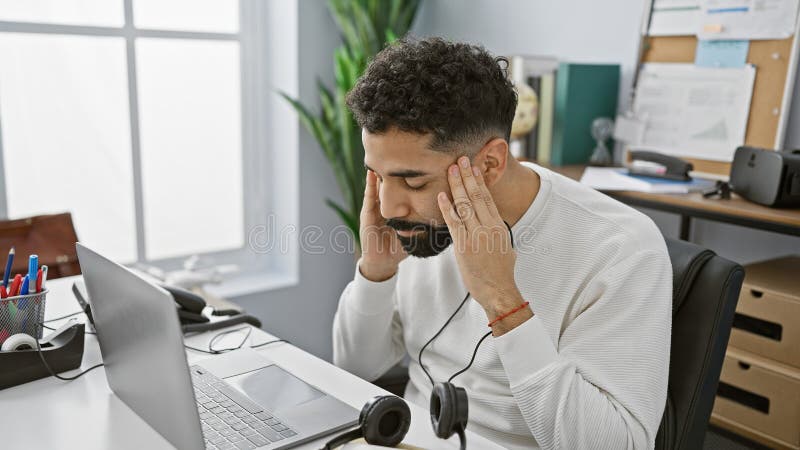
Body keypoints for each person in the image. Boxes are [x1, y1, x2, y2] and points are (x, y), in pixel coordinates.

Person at [332, 37, 672, 450]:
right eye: (378, 175)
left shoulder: (620, 248)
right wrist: (377, 270)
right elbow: (356, 366)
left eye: (413, 180)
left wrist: (502, 300)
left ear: (489, 163)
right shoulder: (419, 225)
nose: (389, 205)